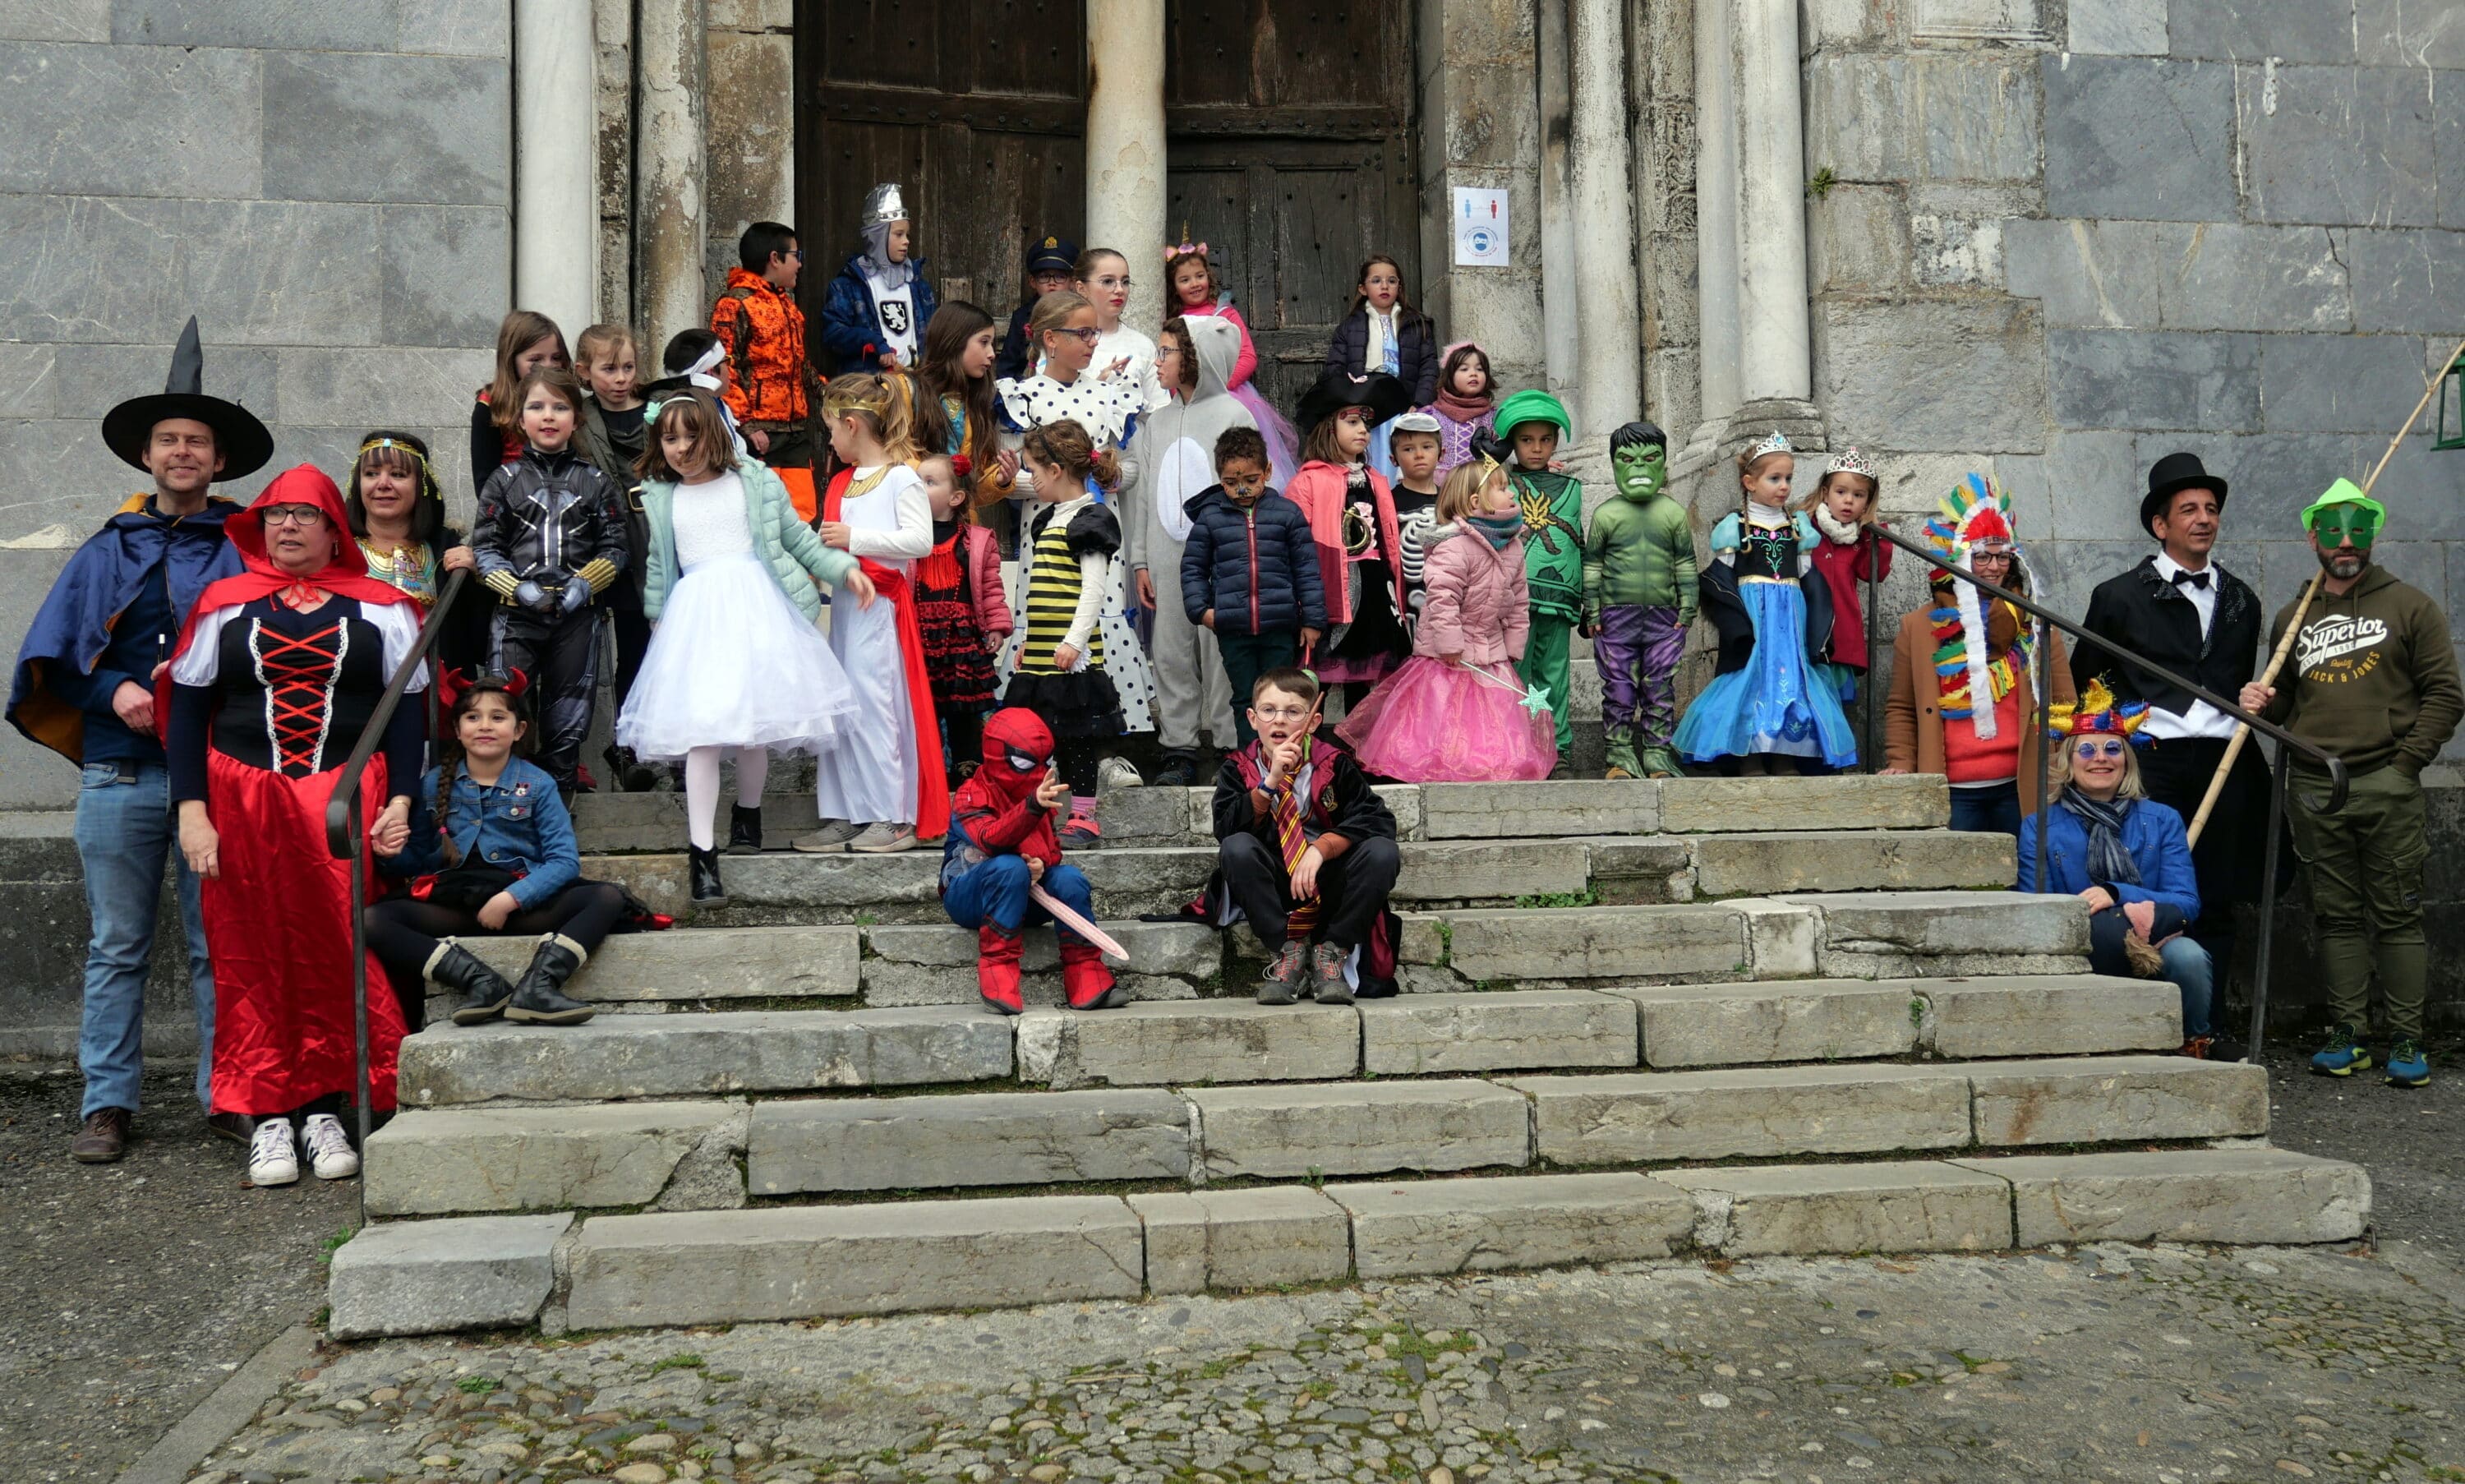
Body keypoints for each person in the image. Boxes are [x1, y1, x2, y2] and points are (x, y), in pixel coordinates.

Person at [7, 317, 265, 1163]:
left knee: (211, 943)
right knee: (116, 944)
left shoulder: (241, 548)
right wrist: (112, 686)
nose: (182, 452)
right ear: (147, 457)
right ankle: (106, 1104)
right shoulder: (102, 551)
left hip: (213, 783)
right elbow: (53, 656)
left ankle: (223, 1091)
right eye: (168, 440)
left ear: (218, 460)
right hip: (119, 777)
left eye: (196, 441)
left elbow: (263, 654)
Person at [167, 466, 428, 1188]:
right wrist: (192, 812)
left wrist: (401, 801)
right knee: (249, 951)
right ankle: (268, 1114)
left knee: (333, 946)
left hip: (339, 796)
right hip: (240, 799)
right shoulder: (224, 604)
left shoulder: (382, 606)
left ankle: (325, 1106)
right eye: (275, 514)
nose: (287, 526)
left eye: (303, 515)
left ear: (331, 528)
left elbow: (408, 716)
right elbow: (187, 712)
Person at [2242, 479, 2465, 1089]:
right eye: (2333, 530)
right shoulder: (2293, 618)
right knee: (2335, 917)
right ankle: (2349, 1035)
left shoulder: (2411, 606)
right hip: (2315, 786)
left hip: (2385, 781)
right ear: (2313, 537)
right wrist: (2263, 701)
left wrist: (2407, 764)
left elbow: (2447, 694)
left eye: (2358, 529)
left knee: (2397, 916)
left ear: (2372, 533)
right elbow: (2288, 700)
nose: (2346, 542)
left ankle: (2408, 1041)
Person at [619, 389, 873, 903]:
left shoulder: (755, 482)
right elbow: (658, 569)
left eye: (692, 436)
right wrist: (657, 622)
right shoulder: (661, 496)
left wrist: (845, 570)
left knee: (754, 729)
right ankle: (702, 854)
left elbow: (799, 541)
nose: (681, 448)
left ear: (717, 436)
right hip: (694, 620)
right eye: (669, 438)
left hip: (759, 613)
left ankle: (749, 815)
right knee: (702, 737)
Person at [2075, 452, 2266, 996]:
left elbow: (2235, 675)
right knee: (2146, 885)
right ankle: (2145, 1007)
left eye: (2211, 509)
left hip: (2224, 758)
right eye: (2189, 510)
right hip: (2153, 758)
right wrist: (2133, 721)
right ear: (2161, 525)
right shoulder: (2117, 596)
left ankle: (2207, 1021)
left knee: (2219, 892)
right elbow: (2090, 678)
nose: (2204, 519)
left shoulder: (2240, 599)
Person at [368, 670, 615, 1030]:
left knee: (606, 898)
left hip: (519, 907)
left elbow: (564, 861)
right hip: (455, 904)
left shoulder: (538, 783)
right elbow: (418, 860)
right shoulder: (434, 782)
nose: (485, 726)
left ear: (518, 730)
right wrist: (389, 854)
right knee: (372, 921)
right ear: (457, 729)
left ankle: (539, 986)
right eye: (473, 717)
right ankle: (480, 982)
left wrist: (510, 899)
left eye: (498, 717)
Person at [2017, 680, 2219, 1058]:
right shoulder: (2039, 825)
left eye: (2112, 748)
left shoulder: (2163, 820)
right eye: (2087, 749)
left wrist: (2117, 893)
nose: (2101, 758)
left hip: (2153, 940)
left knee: (2189, 957)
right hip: (2079, 942)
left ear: (2127, 758)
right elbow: (2032, 907)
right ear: (2068, 762)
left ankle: (2193, 1043)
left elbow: (2187, 902)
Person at [995, 291, 1158, 749]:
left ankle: (1110, 743)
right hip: (1042, 534)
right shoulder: (1021, 396)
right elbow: (1010, 478)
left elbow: (1129, 469)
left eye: (1095, 332)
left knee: (1097, 606)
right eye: (1083, 333)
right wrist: (1047, 483)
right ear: (1051, 339)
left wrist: (1106, 476)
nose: (1093, 341)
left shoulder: (1106, 394)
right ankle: (1037, 740)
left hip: (1096, 528)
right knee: (1048, 612)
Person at [1336, 456, 1556, 782]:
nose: (1512, 493)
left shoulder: (1513, 546)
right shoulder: (1454, 546)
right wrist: (1451, 644)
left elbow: (1519, 601)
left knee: (1493, 719)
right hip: (1448, 657)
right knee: (1446, 714)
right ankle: (1446, 761)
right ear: (1475, 501)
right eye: (1501, 488)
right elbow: (1442, 598)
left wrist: (1513, 645)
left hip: (1491, 651)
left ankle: (1489, 763)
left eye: (1508, 486)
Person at [1880, 473, 2073, 832]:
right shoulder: (1919, 627)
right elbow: (1902, 707)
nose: (1993, 568)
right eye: (1981, 557)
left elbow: (2063, 702)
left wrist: (2062, 768)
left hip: (2022, 785)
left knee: (2028, 882)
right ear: (1958, 559)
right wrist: (1902, 762)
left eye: (2002, 558)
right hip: (1952, 788)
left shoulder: (2036, 622)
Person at [469, 365, 629, 796]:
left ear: (576, 418)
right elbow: (484, 549)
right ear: (519, 419)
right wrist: (519, 589)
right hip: (515, 616)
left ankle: (559, 820)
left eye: (560, 407)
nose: (548, 416)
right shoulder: (502, 482)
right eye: (536, 407)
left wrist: (583, 586)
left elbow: (616, 547)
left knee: (567, 721)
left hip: (577, 617)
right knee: (501, 708)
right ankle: (498, 810)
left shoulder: (595, 482)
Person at [805, 374, 947, 855]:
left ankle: (891, 815)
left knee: (876, 707)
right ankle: (845, 812)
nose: (829, 439)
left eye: (831, 429)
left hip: (881, 610)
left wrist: (855, 540)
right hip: (846, 610)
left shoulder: (901, 477)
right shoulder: (842, 481)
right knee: (842, 706)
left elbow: (919, 541)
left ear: (851, 425)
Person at [1202, 667, 1403, 1004]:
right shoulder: (1238, 768)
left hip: (1327, 881)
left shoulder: (1334, 764)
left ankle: (1332, 954)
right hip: (1274, 882)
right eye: (1268, 711)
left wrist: (1321, 848)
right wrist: (1268, 784)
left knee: (1383, 852)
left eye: (1293, 712)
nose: (1279, 721)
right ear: (1252, 718)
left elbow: (1378, 820)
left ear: (1312, 722)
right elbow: (1224, 830)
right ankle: (1287, 955)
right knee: (1237, 848)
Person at [1676, 431, 1858, 774]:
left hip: (1790, 618)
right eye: (1775, 478)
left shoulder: (1797, 526)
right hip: (1755, 617)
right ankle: (1751, 756)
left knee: (1791, 680)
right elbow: (1719, 578)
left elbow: (1808, 577)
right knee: (1753, 681)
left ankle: (1786, 753)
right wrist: (1736, 620)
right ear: (1749, 482)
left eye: (1788, 478)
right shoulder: (1738, 526)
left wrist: (1819, 625)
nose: (1784, 486)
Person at [1128, 316, 1257, 778]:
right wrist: (1141, 560)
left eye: (1166, 352)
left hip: (1222, 559)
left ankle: (1227, 747)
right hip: (1166, 558)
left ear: (1195, 358)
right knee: (1170, 650)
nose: (1156, 361)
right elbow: (1144, 497)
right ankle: (1178, 747)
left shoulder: (1232, 415)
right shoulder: (1155, 424)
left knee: (1220, 652)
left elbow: (1249, 487)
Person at [940, 707, 1126, 1016]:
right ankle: (998, 970)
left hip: (1026, 894)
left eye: (1046, 762)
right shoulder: (971, 794)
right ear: (1000, 755)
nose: (1040, 772)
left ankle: (1085, 972)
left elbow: (1051, 850)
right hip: (970, 896)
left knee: (1068, 878)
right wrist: (1031, 808)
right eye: (1027, 762)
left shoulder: (1038, 792)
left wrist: (1042, 866)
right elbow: (990, 839)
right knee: (1007, 868)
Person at [1002, 419, 1131, 846]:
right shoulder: (1047, 521)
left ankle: (1085, 816)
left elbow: (1093, 590)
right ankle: (1035, 814)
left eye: (1034, 471)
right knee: (1035, 738)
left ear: (1056, 471)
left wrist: (1075, 642)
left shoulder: (1089, 520)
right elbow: (1040, 592)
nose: (1030, 479)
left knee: (1075, 740)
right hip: (1041, 655)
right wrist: (1028, 642)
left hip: (1071, 658)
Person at [1180, 426, 1327, 750]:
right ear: (1220, 478)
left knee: (1281, 699)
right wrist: (1202, 611)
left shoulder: (1287, 514)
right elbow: (1192, 568)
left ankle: (1283, 759)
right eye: (1231, 483)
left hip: (1280, 627)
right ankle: (1250, 763)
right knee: (1246, 697)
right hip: (1233, 629)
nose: (1242, 489)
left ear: (1268, 471)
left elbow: (1307, 569)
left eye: (1251, 480)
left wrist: (1313, 620)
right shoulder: (1209, 518)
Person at [1287, 371, 1412, 711]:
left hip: (1375, 585)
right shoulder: (1308, 482)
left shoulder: (1376, 479)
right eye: (1353, 421)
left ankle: (1359, 752)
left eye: (1366, 425)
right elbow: (1297, 549)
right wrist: (1305, 608)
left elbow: (1388, 541)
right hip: (1334, 590)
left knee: (1366, 672)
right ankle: (1323, 751)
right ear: (1330, 426)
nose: (1362, 431)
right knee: (1325, 675)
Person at [1583, 420, 1697, 781]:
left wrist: (1688, 606)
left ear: (1664, 463)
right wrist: (1593, 609)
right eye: (1627, 459)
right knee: (1618, 687)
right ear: (1614, 464)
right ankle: (1618, 755)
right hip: (1615, 617)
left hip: (1665, 619)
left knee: (1660, 686)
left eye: (1650, 458)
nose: (1638, 468)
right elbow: (1593, 566)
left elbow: (1685, 562)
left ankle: (1657, 753)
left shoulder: (1674, 513)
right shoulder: (1605, 515)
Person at [573, 325, 658, 791]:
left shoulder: (656, 413)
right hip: (610, 547)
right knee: (627, 651)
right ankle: (627, 745)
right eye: (609, 369)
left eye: (628, 367)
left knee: (660, 650)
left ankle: (669, 746)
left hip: (659, 544)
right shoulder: (581, 422)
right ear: (585, 372)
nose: (621, 378)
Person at [343, 431, 491, 676]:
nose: (383, 484)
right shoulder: (335, 549)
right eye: (371, 473)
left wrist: (480, 577)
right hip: (359, 696)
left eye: (398, 474)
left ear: (421, 484)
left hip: (437, 698)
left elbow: (483, 646)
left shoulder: (446, 550)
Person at [1164, 232, 1297, 486]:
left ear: (1209, 277)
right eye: (1185, 280)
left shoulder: (1224, 314)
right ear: (1173, 286)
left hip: (1231, 394)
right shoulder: (1173, 322)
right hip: (1188, 401)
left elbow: (1247, 356)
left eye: (1199, 276)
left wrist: (1218, 387)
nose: (1194, 284)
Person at [1497, 390, 1585, 771]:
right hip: (1516, 598)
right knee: (1515, 673)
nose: (1536, 448)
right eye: (1526, 440)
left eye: (1545, 439)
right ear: (1512, 442)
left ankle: (1558, 747)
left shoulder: (1572, 487)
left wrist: (1587, 598)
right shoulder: (1501, 484)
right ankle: (1515, 745)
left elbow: (1578, 541)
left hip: (1561, 596)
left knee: (1556, 674)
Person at [916, 451, 1012, 781]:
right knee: (923, 709)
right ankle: (928, 778)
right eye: (915, 482)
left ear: (956, 498)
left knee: (963, 711)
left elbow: (991, 586)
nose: (918, 488)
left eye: (929, 483)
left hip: (961, 638)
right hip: (920, 637)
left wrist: (998, 626)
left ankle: (967, 775)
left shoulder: (977, 541)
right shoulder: (907, 539)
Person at [709, 221, 818, 493]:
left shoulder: (788, 307)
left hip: (795, 432)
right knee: (764, 512)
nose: (800, 265)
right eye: (796, 256)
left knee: (801, 516)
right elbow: (722, 368)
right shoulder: (734, 304)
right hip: (760, 435)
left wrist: (832, 396)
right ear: (775, 259)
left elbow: (799, 365)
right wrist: (747, 424)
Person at [1799, 445, 1892, 707]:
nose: (1849, 500)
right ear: (1826, 494)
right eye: (1841, 492)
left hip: (1841, 635)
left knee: (1835, 710)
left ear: (1867, 502)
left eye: (1858, 495)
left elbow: (1874, 573)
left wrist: (1877, 536)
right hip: (1807, 630)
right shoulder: (1807, 529)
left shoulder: (1859, 539)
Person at [820, 183, 939, 375]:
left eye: (907, 234)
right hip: (871, 388)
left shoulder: (917, 285)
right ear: (877, 236)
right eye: (898, 234)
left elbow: (936, 334)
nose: (906, 241)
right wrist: (871, 341)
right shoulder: (848, 287)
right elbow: (834, 335)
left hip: (916, 384)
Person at [915, 302, 1021, 516]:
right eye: (984, 342)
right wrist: (932, 479)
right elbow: (884, 460)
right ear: (954, 341)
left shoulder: (977, 402)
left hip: (959, 533)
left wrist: (999, 480)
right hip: (912, 525)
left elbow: (970, 493)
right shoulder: (908, 392)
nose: (992, 353)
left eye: (992, 344)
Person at [470, 310, 568, 494]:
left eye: (556, 358)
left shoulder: (568, 398)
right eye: (536, 359)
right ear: (512, 360)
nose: (548, 366)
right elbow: (485, 484)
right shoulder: (490, 405)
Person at [1323, 254, 1439, 404]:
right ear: (1363, 289)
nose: (1385, 286)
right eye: (1376, 281)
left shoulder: (1417, 325)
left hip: (1405, 408)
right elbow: (1335, 368)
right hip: (1364, 406)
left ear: (1399, 287)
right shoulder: (1349, 328)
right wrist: (1349, 395)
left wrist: (1419, 404)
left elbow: (1429, 369)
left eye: (1391, 281)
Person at [1073, 247, 1171, 416]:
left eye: (1125, 282)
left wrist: (1135, 402)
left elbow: (1162, 413)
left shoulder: (1142, 346)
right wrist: (1098, 390)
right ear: (1082, 288)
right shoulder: (1064, 340)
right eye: (1108, 281)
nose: (1120, 290)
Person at [1384, 411, 1447, 638]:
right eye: (1408, 449)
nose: (1419, 454)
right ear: (1393, 459)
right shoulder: (1387, 502)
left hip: (1448, 603)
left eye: (1427, 447)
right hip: (1404, 603)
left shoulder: (1453, 501)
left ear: (1442, 453)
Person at [997, 233, 1077, 382]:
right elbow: (1006, 369)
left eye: (1060, 277)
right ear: (1033, 282)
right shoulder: (1022, 317)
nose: (1052, 283)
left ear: (1072, 282)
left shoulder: (1080, 315)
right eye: (1044, 276)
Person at [1422, 341, 1496, 479]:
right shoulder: (1431, 415)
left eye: (1480, 369)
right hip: (1442, 486)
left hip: (1481, 484)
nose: (1473, 374)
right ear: (1450, 375)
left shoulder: (1493, 417)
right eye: (1464, 369)